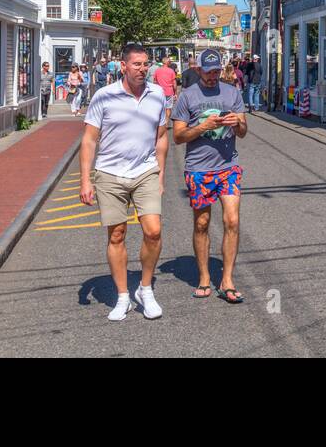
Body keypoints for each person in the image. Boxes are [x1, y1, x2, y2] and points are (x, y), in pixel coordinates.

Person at [78, 43, 168, 321]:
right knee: (116, 234)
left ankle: (145, 288)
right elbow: (89, 139)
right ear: (124, 66)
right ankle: (122, 297)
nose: (143, 69)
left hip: (146, 172)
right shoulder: (104, 96)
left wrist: (161, 173)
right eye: (137, 64)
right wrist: (85, 180)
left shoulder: (158, 95)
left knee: (153, 231)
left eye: (146, 64)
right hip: (110, 174)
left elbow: (161, 136)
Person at [172, 50, 248, 304]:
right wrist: (204, 127)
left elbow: (244, 131)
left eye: (216, 71)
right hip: (199, 169)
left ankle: (227, 280)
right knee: (202, 223)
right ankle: (204, 277)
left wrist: (236, 123)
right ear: (199, 70)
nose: (213, 76)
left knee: (232, 221)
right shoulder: (187, 96)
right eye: (208, 71)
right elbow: (178, 136)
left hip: (228, 166)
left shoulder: (232, 93)